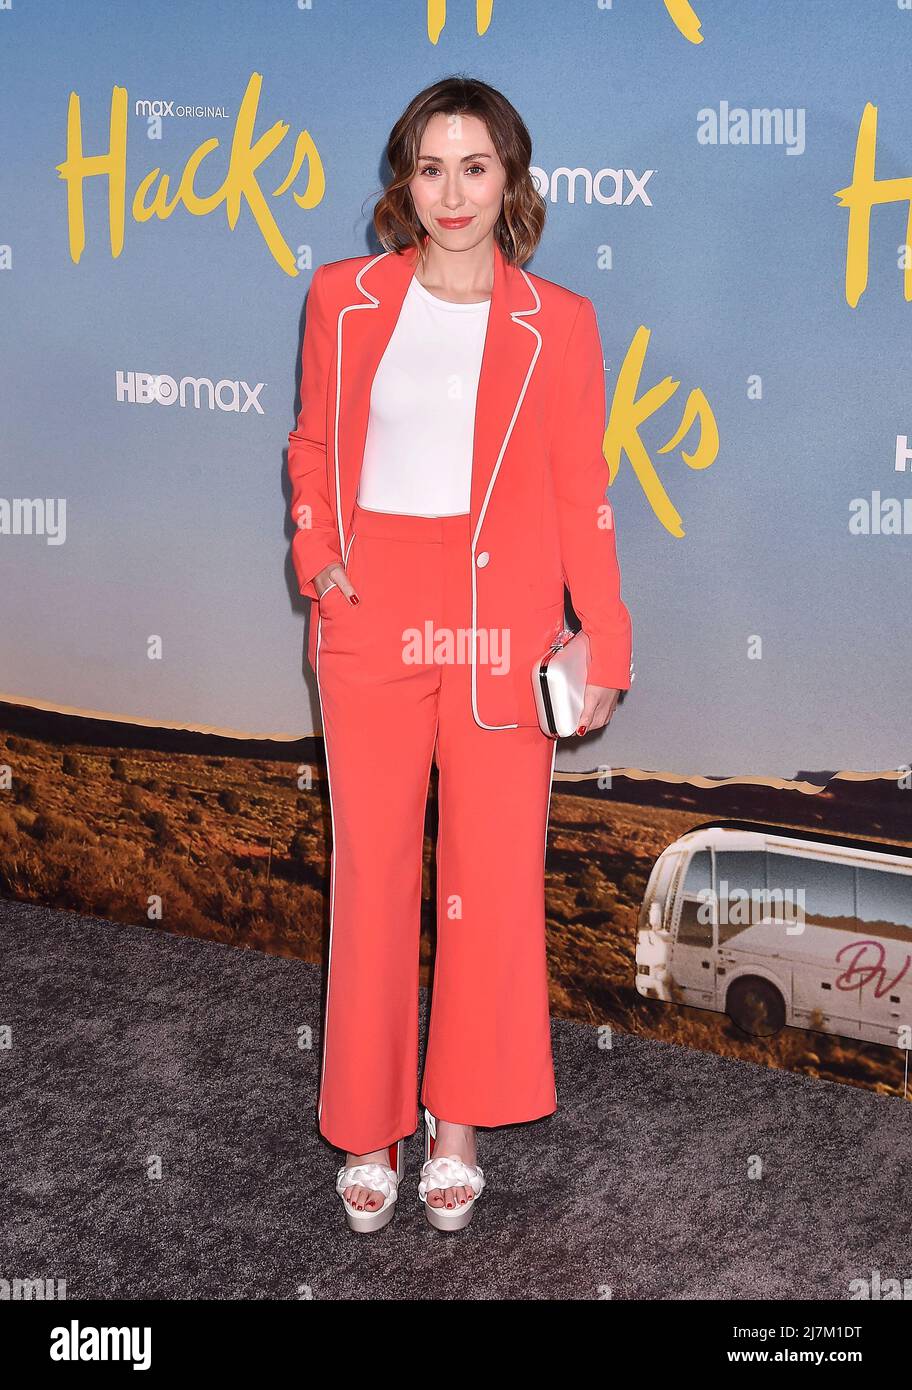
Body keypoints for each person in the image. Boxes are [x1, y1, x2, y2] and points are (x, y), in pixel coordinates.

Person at [287, 76, 632, 1232]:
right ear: (405, 181)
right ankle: (368, 1126)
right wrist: (318, 555)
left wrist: (606, 633)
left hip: (505, 625)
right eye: (430, 168)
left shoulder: (560, 322)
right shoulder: (340, 298)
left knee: (483, 887)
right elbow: (312, 445)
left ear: (511, 181)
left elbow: (584, 490)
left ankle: (459, 1126)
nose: (451, 192)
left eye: (473, 167)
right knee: (372, 876)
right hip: (370, 614)